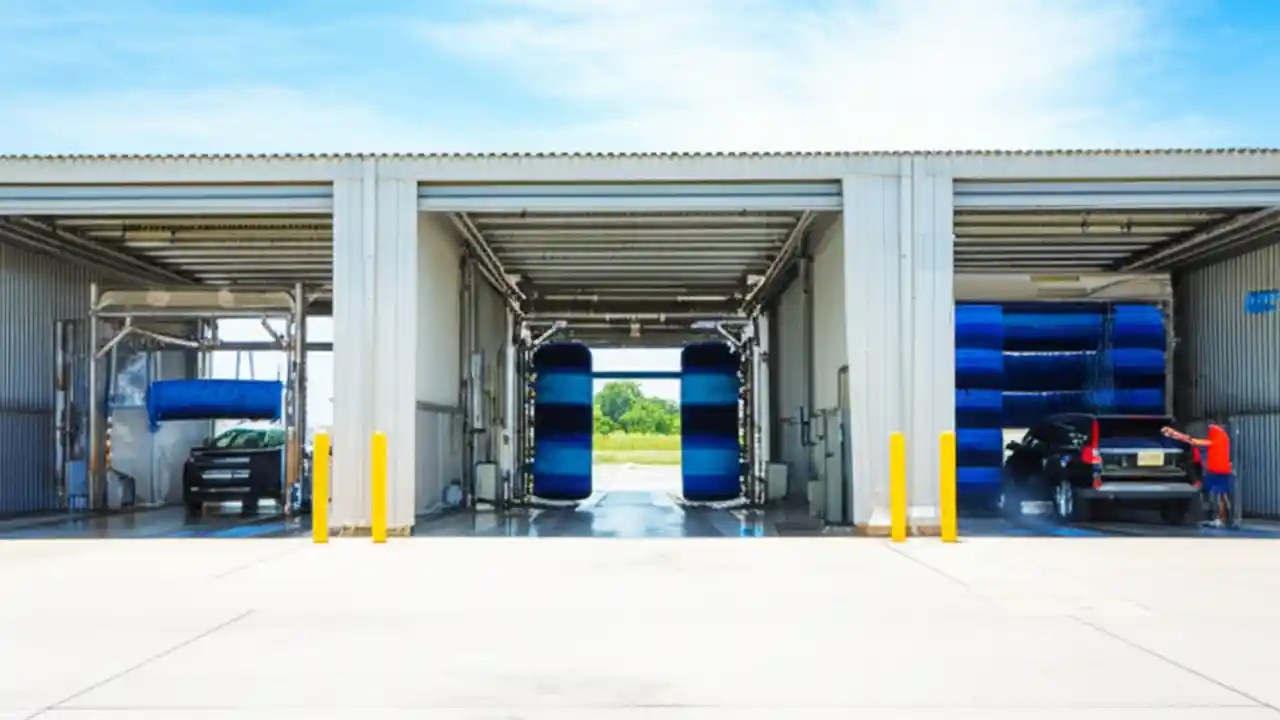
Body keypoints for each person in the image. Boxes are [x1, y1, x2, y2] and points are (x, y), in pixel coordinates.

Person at [1161, 423, 1234, 528]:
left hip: (1218, 472)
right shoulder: (1219, 441)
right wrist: (1175, 434)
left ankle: (1222, 519)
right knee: (1221, 496)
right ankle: (1222, 519)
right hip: (1218, 471)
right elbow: (1192, 441)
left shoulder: (1214, 441)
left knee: (1219, 496)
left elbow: (1193, 441)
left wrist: (1173, 433)